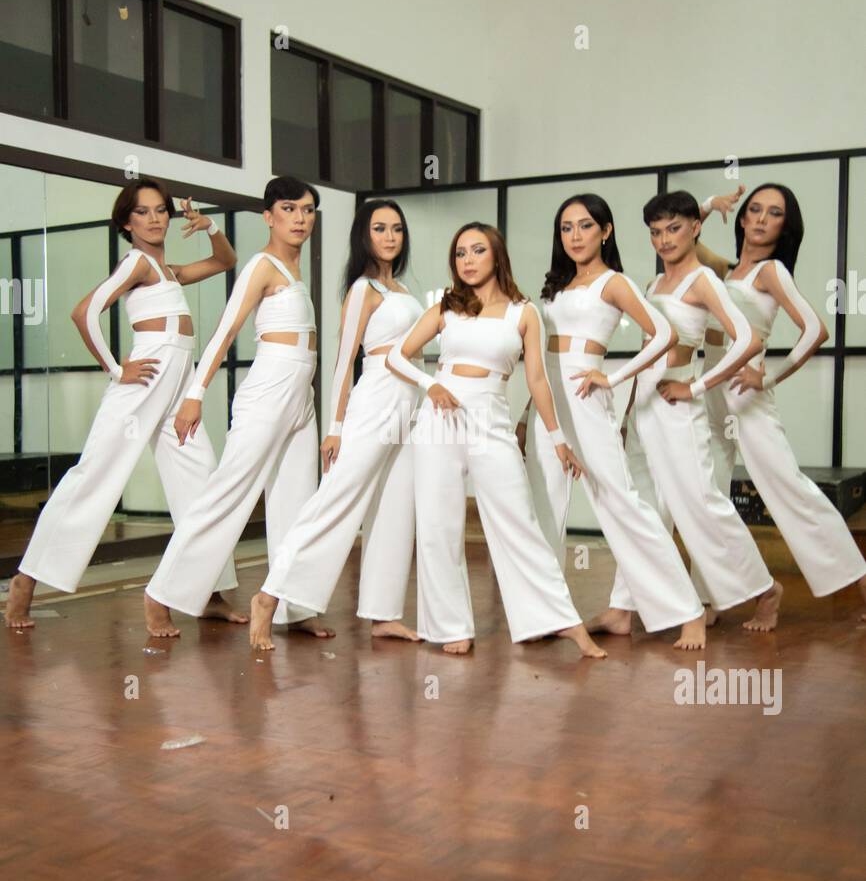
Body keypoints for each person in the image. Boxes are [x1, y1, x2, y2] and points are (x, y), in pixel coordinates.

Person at [5, 181, 240, 629]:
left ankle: (207, 592)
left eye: (161, 211)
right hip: (143, 382)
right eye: (143, 212)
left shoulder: (166, 269)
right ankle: (25, 582)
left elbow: (226, 261)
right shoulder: (136, 262)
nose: (154, 219)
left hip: (178, 386)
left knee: (201, 484)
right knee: (95, 476)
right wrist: (116, 369)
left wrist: (210, 226)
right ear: (126, 222)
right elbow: (84, 311)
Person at [385, 222, 606, 659]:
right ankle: (451, 627)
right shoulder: (446, 307)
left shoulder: (523, 312)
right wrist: (429, 385)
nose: (467, 260)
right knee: (437, 524)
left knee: (518, 520)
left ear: (496, 255)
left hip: (491, 417)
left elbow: (539, 380)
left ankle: (561, 622)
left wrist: (559, 439)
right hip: (440, 416)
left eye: (477, 251)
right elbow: (395, 356)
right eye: (460, 253)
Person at [586, 190, 783, 634]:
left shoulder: (703, 281)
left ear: (696, 227)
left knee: (701, 503)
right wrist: (628, 409)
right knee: (643, 506)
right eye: (656, 232)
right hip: (644, 406)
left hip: (678, 409)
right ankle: (623, 606)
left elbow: (747, 340)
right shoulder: (655, 285)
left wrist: (695, 385)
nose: (664, 239)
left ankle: (766, 592)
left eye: (674, 228)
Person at [518, 193, 707, 649]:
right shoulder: (555, 288)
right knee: (544, 508)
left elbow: (666, 334)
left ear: (605, 232)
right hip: (550, 407)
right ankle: (551, 613)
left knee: (621, 503)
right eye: (566, 227)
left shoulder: (614, 282)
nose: (575, 236)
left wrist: (613, 378)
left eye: (585, 226)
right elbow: (541, 363)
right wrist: (529, 412)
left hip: (586, 401)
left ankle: (690, 612)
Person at [144, 176, 329, 638]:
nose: (300, 218)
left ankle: (292, 607)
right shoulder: (262, 266)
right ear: (269, 217)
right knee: (229, 492)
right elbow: (226, 331)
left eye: (307, 210)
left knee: (298, 502)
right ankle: (160, 595)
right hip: (268, 389)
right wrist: (194, 395)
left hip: (301, 392)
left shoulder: (298, 270)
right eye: (290, 209)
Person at [249, 199, 424, 651]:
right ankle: (270, 597)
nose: (389, 237)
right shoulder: (362, 290)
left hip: (410, 404)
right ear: (364, 236)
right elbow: (345, 361)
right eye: (380, 228)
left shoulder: (404, 291)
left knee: (395, 507)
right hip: (376, 399)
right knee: (336, 501)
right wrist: (335, 426)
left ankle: (384, 614)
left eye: (397, 229)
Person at [694, 182, 866, 620]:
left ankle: (861, 580)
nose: (759, 219)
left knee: (788, 488)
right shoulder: (725, 271)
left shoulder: (771, 272)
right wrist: (712, 203)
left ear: (786, 227)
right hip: (710, 389)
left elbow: (815, 329)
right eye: (754, 209)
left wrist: (767, 377)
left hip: (744, 396)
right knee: (709, 492)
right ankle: (716, 596)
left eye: (773, 213)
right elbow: (682, 232)